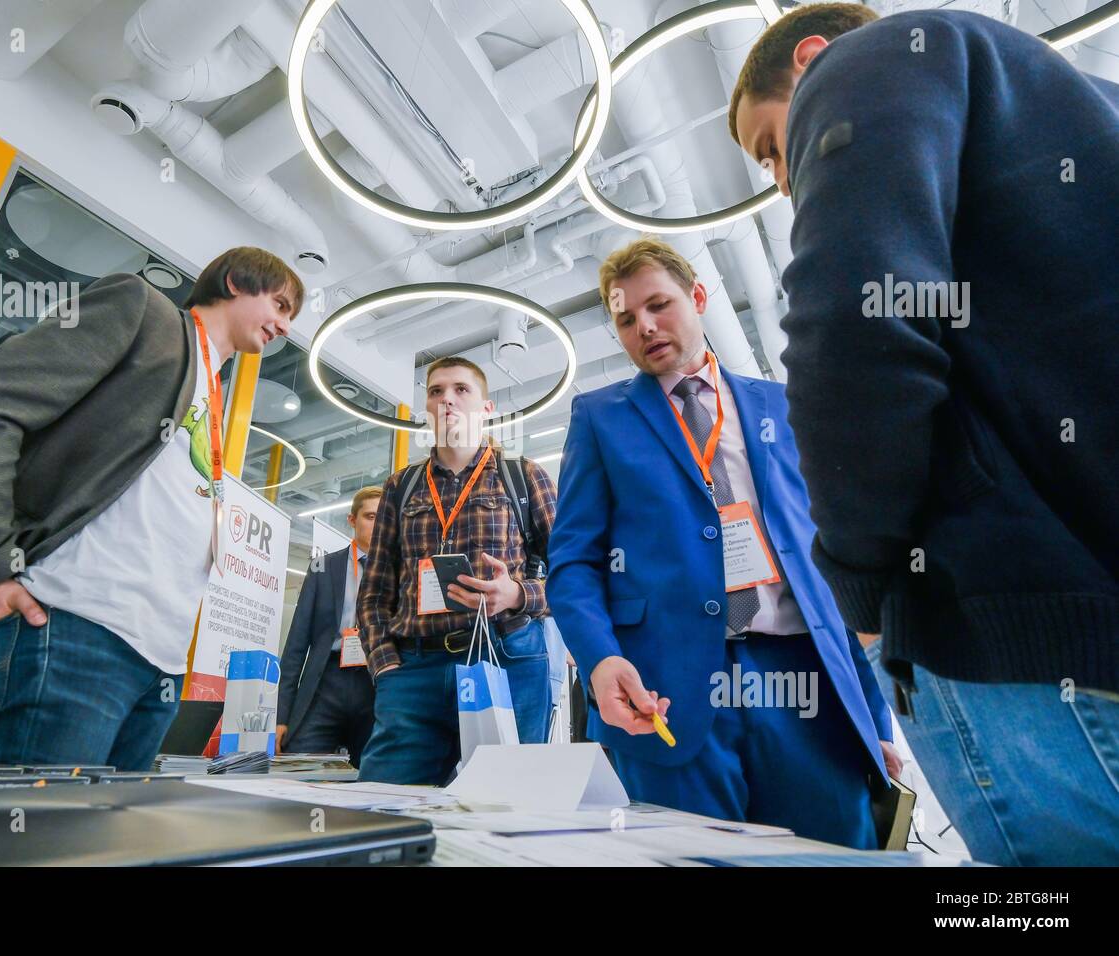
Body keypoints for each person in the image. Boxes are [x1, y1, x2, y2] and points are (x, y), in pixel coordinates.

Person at [729, 4, 1119, 864]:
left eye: (768, 147)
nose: (783, 182)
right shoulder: (1086, 106)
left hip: (1021, 643)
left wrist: (864, 591)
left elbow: (853, 324)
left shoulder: (867, 61)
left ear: (810, 57)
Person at [0, 247, 302, 771]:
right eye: (281, 305)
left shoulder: (211, 390)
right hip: (74, 627)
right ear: (235, 281)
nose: (285, 327)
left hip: (161, 663)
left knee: (97, 845)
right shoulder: (143, 312)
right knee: (33, 843)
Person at [546, 238, 898, 850]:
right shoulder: (600, 418)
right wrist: (600, 659)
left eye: (660, 305)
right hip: (664, 691)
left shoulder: (782, 407)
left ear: (699, 297)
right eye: (626, 319)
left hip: (805, 682)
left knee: (834, 853)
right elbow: (573, 561)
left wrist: (873, 712)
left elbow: (830, 564)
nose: (645, 326)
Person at [356, 356, 557, 785]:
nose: (447, 399)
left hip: (508, 658)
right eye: (436, 391)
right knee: (383, 805)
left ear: (486, 409)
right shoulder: (401, 486)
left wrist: (518, 594)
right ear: (426, 408)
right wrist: (385, 666)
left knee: (512, 802)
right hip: (415, 670)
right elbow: (374, 591)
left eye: (461, 390)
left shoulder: (523, 477)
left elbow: (574, 574)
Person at [275, 486, 382, 766]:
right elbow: (296, 645)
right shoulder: (323, 568)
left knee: (372, 776)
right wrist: (280, 716)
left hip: (375, 683)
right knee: (298, 766)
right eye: (370, 516)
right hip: (326, 680)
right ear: (352, 520)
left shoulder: (398, 571)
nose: (378, 524)